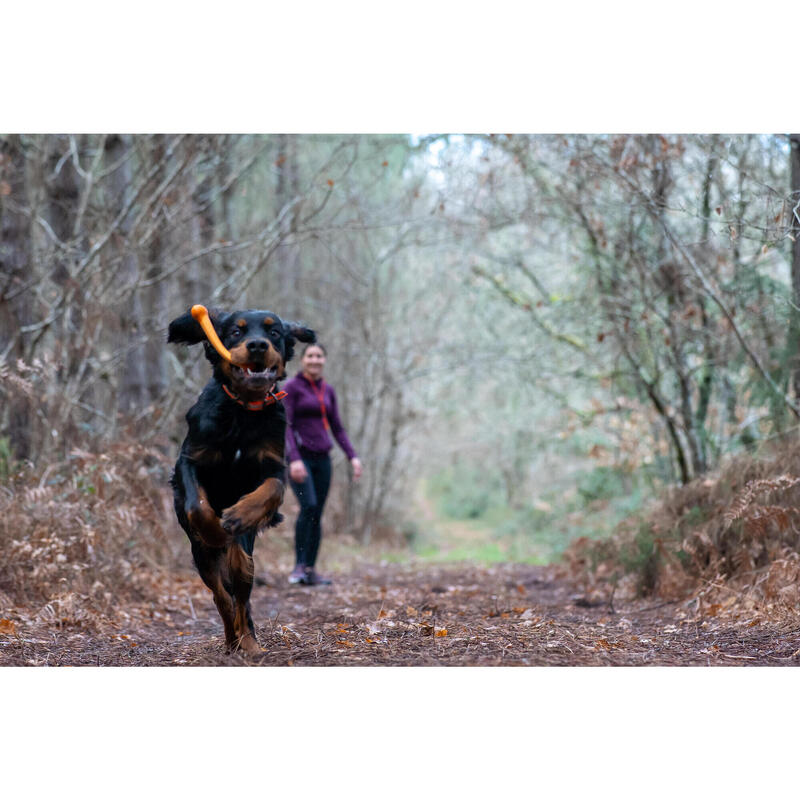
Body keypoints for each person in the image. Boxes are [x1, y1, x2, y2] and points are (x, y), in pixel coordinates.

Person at [283, 342, 362, 585]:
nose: (315, 360)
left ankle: (310, 569)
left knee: (317, 513)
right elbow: (286, 426)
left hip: (323, 459)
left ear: (324, 360)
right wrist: (294, 459)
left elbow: (337, 427)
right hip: (300, 459)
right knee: (308, 506)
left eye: (319, 356)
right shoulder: (291, 388)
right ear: (303, 360)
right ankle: (298, 567)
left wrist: (352, 456)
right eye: (310, 356)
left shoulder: (328, 390)